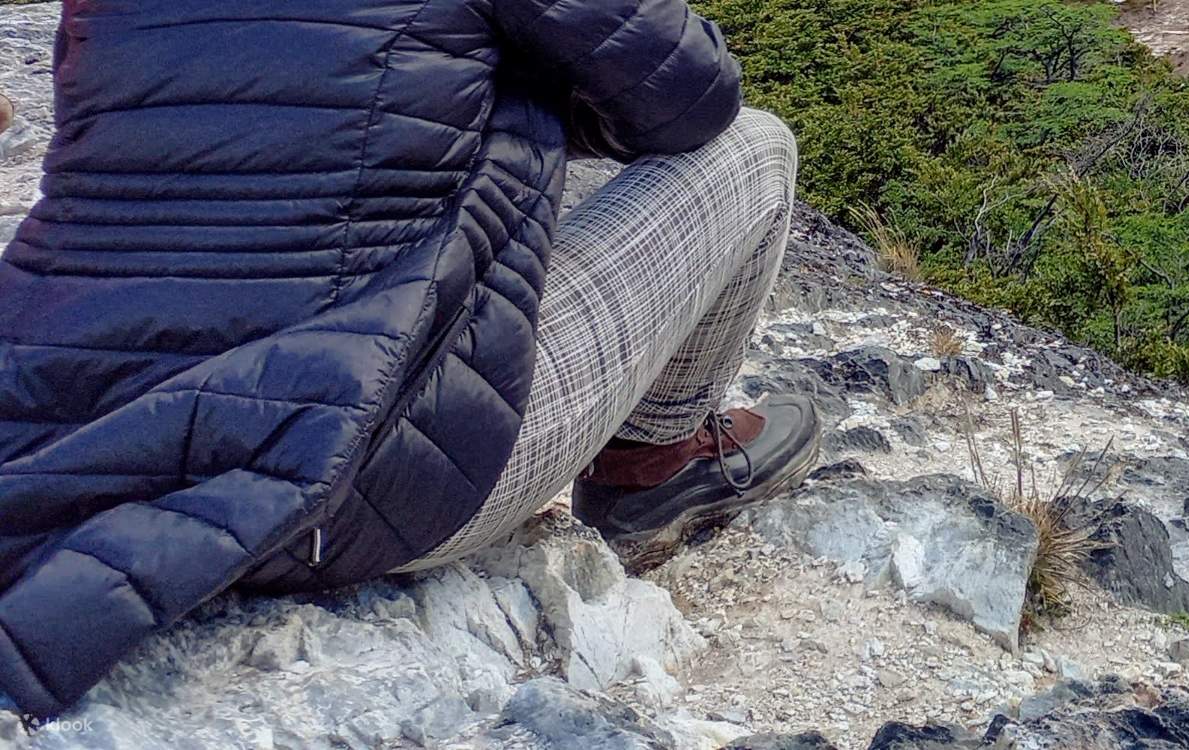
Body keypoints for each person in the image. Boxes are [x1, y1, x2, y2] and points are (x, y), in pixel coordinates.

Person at [0, 0, 828, 718]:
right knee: (753, 147)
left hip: (77, 441)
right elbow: (690, 97)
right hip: (356, 476)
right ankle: (650, 465)